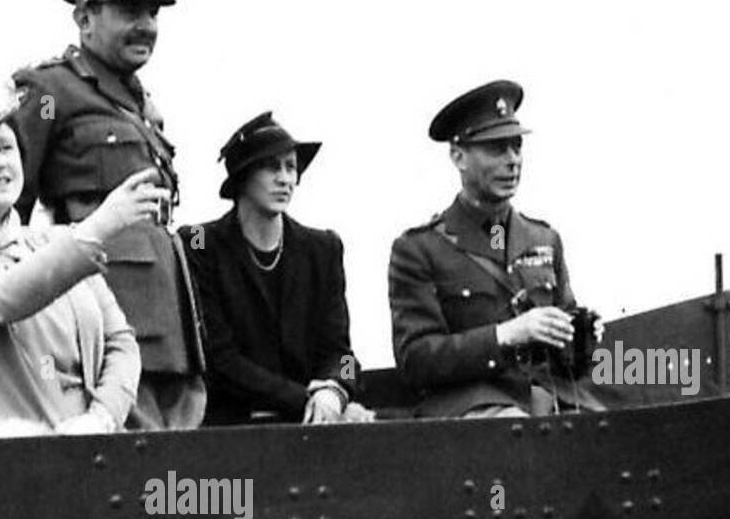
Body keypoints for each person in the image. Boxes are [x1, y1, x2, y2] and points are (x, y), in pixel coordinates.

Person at [10, 0, 207, 431]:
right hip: (107, 317)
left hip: (169, 317)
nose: (146, 25)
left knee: (180, 471)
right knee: (135, 474)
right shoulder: (49, 91)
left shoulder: (141, 103)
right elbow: (13, 205)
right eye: (129, 10)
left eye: (153, 12)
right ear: (85, 19)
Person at [0, 82, 165, 438]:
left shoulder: (54, 242)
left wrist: (100, 419)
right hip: (1, 473)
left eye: (6, 147)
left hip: (96, 459)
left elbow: (121, 342)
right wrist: (96, 227)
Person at [389, 81, 605, 418]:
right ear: (458, 156)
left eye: (516, 148)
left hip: (544, 398)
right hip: (469, 405)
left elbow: (567, 364)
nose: (512, 161)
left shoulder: (544, 239)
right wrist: (505, 335)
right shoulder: (419, 249)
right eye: (496, 149)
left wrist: (582, 339)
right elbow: (416, 360)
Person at [182, 112, 372, 426]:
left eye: (291, 167)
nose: (285, 179)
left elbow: (345, 357)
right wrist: (305, 400)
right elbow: (220, 360)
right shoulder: (200, 242)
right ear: (242, 176)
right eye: (272, 167)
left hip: (311, 425)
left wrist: (336, 390)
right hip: (232, 430)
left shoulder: (323, 247)